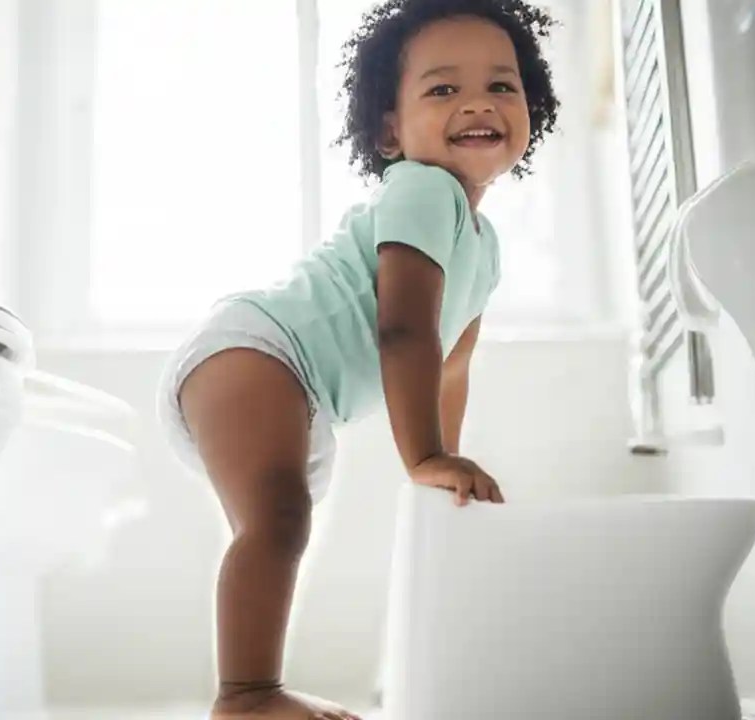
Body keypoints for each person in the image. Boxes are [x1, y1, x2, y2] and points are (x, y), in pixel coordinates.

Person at [156, 1, 561, 716]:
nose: (478, 103)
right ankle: (246, 695)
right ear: (389, 130)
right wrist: (425, 457)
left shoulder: (484, 245)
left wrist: (448, 467)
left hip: (298, 392)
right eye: (443, 89)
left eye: (502, 86)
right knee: (277, 523)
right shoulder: (421, 189)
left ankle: (257, 691)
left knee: (281, 524)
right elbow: (405, 332)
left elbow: (451, 363)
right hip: (259, 353)